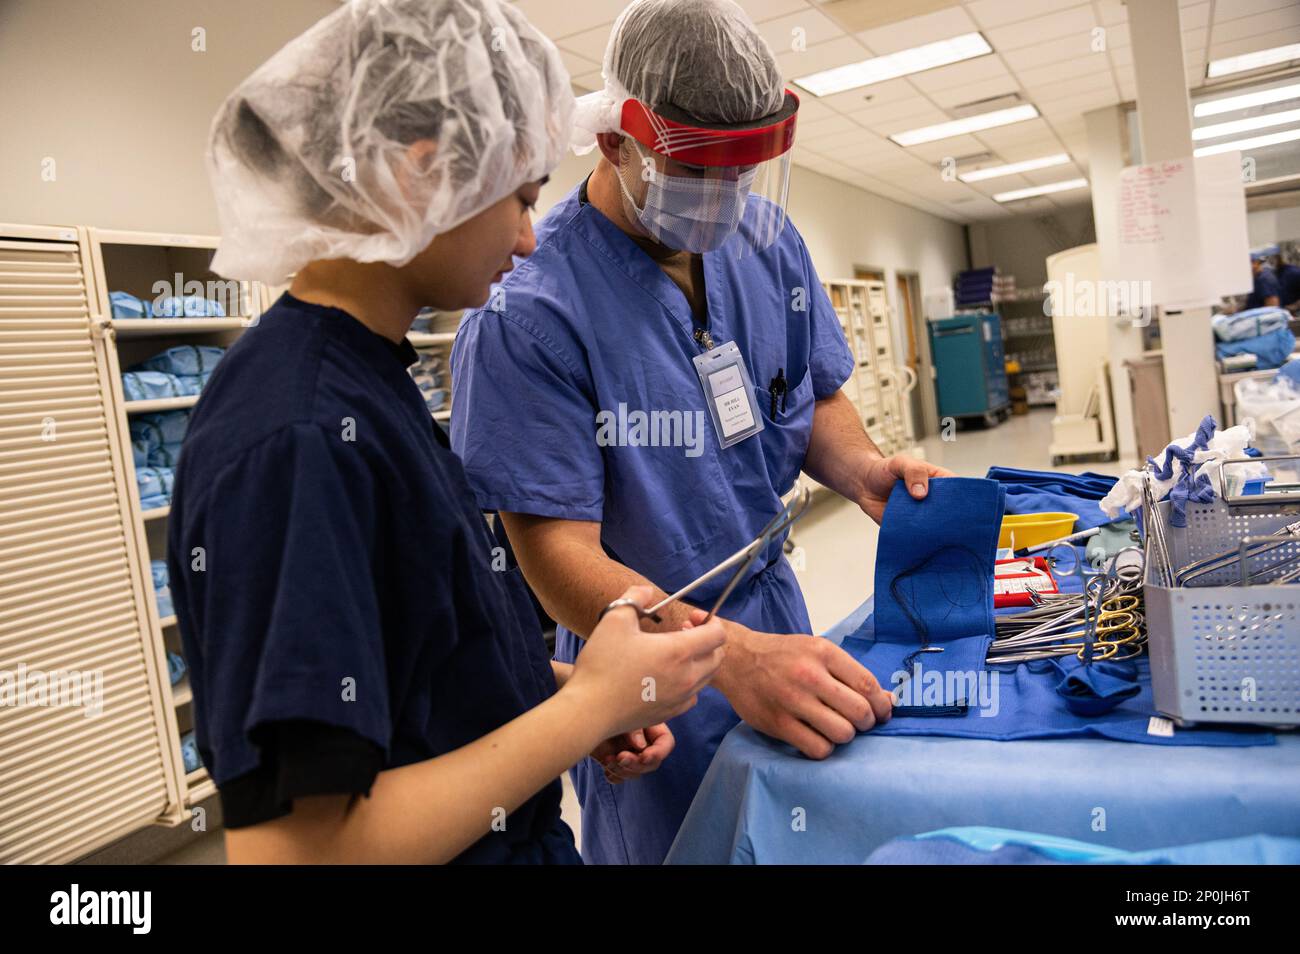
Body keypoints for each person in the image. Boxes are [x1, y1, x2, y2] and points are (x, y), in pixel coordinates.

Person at [170, 0, 725, 865]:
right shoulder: (299, 435)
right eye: (521, 200)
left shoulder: (371, 381)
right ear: (421, 174)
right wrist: (586, 711)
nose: (531, 239)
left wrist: (571, 697)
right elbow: (298, 851)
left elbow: (412, 673)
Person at [450, 0, 951, 864]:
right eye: (701, 174)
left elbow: (812, 392)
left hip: (773, 613)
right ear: (615, 141)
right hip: (647, 668)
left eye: (743, 174)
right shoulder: (528, 313)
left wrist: (862, 468)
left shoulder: (765, 243)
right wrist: (724, 658)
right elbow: (552, 555)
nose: (726, 201)